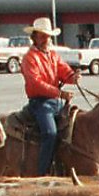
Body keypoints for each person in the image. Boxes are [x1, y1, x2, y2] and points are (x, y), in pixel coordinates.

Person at [20, 16, 77, 176]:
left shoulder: (52, 55)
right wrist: (60, 93)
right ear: (35, 37)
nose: (46, 39)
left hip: (57, 101)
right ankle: (42, 172)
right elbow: (35, 83)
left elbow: (64, 71)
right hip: (40, 103)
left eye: (48, 35)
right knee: (50, 133)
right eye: (42, 35)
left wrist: (73, 77)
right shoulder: (29, 58)